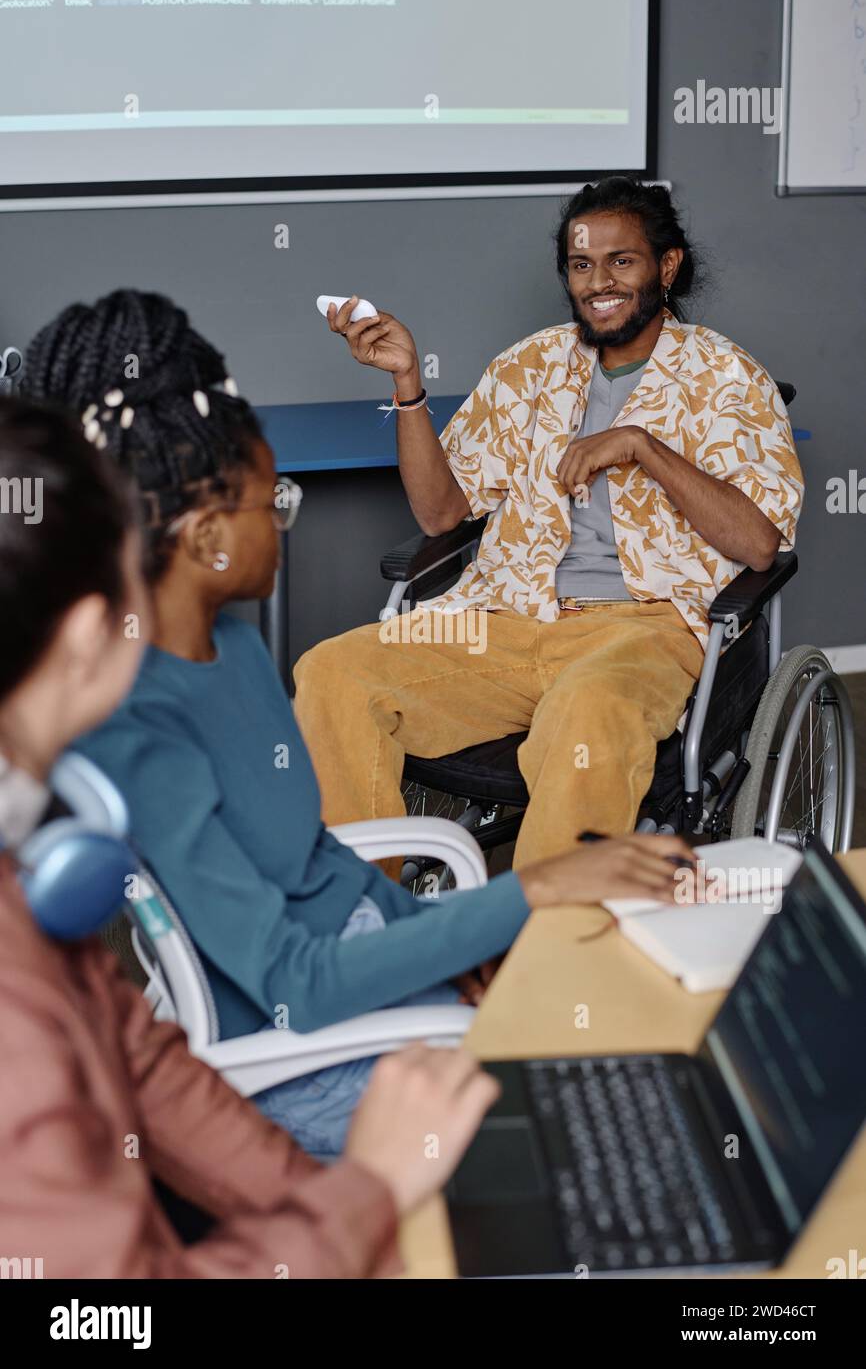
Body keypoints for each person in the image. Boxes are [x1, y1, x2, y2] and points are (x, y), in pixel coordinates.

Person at [21, 289, 693, 1158]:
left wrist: (459, 945)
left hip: (372, 964)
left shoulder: (229, 642)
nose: (286, 523)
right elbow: (293, 982)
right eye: (276, 504)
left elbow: (317, 869)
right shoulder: (140, 726)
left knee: (644, 1037)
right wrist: (526, 895)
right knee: (622, 1131)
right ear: (201, 536)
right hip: (309, 1054)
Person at [0, 396, 507, 1278]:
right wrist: (372, 1195)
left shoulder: (31, 859)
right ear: (88, 635)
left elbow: (138, 1054)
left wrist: (329, 1212)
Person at [295, 176, 805, 867]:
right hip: (507, 613)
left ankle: (543, 947)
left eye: (621, 261)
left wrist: (642, 447)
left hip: (644, 626)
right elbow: (444, 511)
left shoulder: (729, 378)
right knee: (333, 673)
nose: (599, 281)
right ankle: (367, 928)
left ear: (667, 265)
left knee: (587, 711)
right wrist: (407, 383)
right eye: (581, 264)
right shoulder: (528, 366)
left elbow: (759, 543)